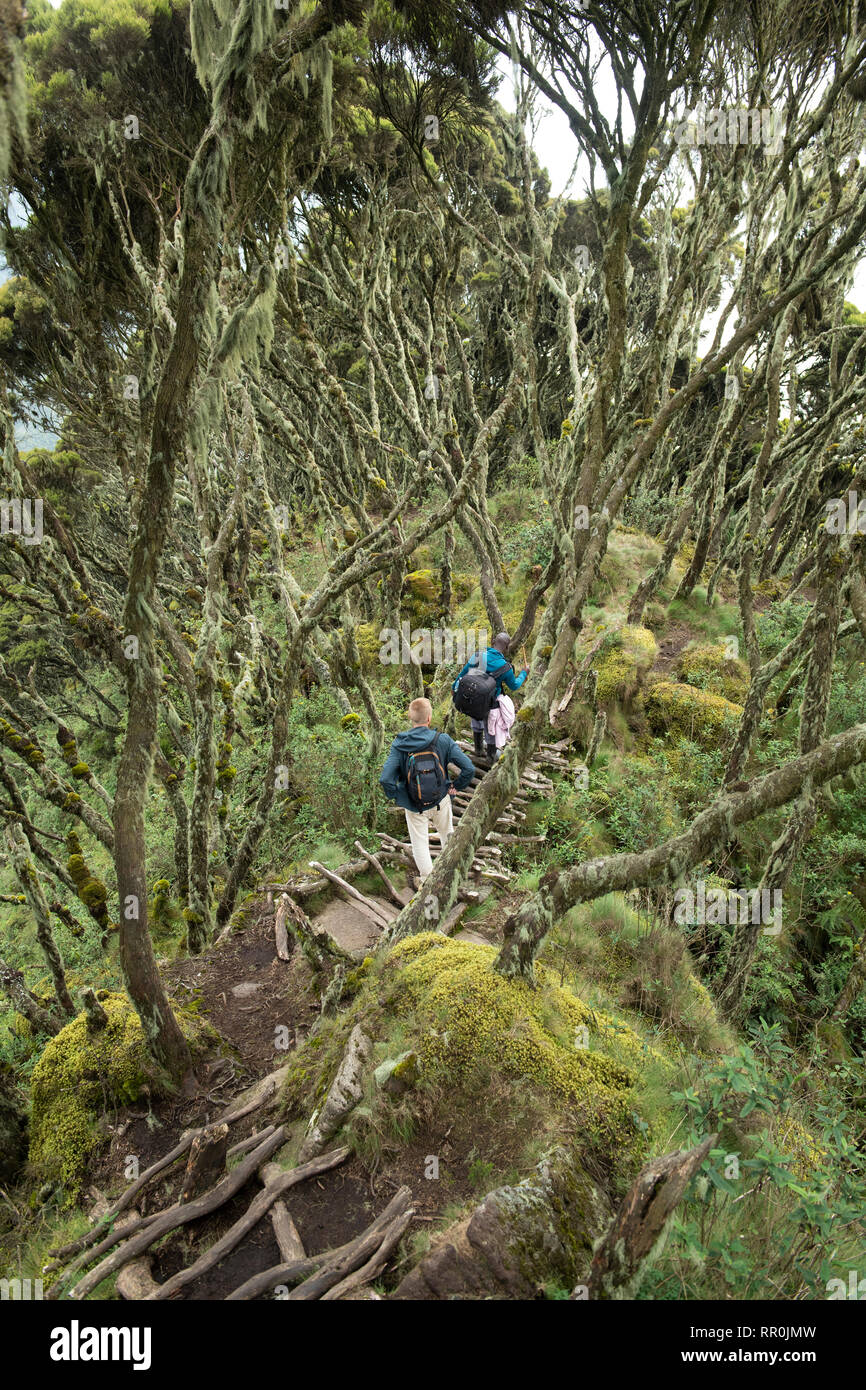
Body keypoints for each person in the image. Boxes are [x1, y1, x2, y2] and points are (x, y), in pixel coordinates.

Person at [379, 697, 475, 884]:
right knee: (447, 834)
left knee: (419, 844)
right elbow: (469, 768)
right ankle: (450, 876)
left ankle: (428, 883)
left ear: (410, 717)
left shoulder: (399, 746)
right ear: (429, 718)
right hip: (441, 800)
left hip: (415, 806)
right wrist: (455, 786)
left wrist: (400, 797)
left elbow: (385, 780)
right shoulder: (443, 740)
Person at [453, 632, 528, 763]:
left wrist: (454, 688)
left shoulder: (478, 656)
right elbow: (514, 686)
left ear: (493, 641)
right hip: (490, 702)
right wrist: (523, 673)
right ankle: (490, 756)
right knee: (490, 727)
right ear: (507, 648)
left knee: (476, 719)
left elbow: (463, 674)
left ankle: (478, 749)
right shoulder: (505, 667)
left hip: (472, 697)